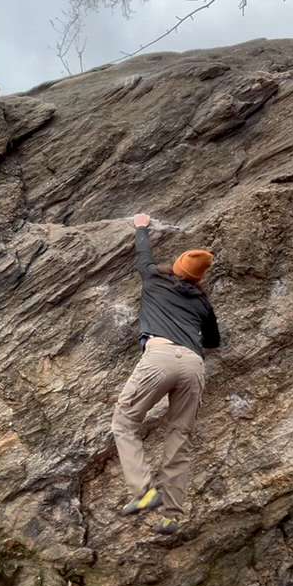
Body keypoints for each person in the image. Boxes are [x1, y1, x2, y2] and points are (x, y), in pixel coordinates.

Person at [112, 212, 221, 535]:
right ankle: (172, 515)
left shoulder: (153, 279)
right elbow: (213, 342)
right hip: (193, 364)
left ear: (176, 266)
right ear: (198, 278)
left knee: (124, 422)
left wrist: (141, 227)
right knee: (179, 435)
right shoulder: (203, 303)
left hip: (159, 356)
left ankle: (144, 491)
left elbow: (143, 256)